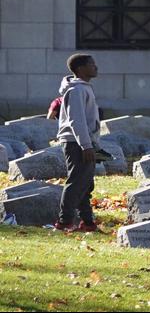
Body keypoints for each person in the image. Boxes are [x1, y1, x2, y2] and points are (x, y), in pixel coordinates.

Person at [51, 53, 102, 233]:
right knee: (76, 181)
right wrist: (86, 146)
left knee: (85, 183)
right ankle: (64, 222)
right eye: (92, 64)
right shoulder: (76, 90)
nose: (96, 67)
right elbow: (76, 120)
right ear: (81, 69)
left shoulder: (84, 88)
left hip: (85, 141)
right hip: (77, 142)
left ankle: (87, 223)